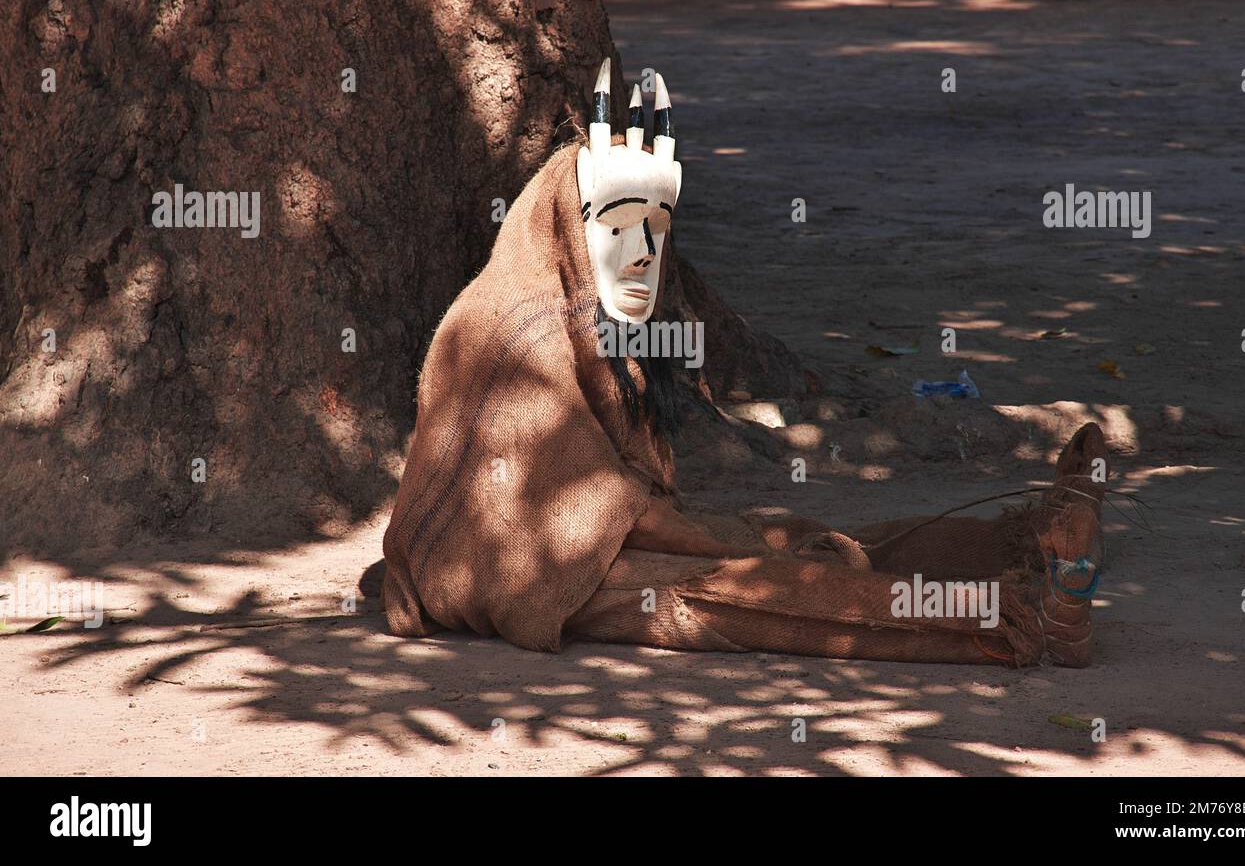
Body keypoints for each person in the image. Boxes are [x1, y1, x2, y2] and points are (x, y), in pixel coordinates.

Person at [381, 60, 1104, 668]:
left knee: (790, 538)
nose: (643, 256)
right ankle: (1012, 624)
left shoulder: (593, 320)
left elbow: (623, 500)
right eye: (620, 227)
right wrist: (724, 541)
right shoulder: (512, 336)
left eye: (656, 231)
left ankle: (1032, 541)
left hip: (597, 543)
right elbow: (575, 515)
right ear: (572, 227)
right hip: (528, 574)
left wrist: (753, 537)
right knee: (744, 590)